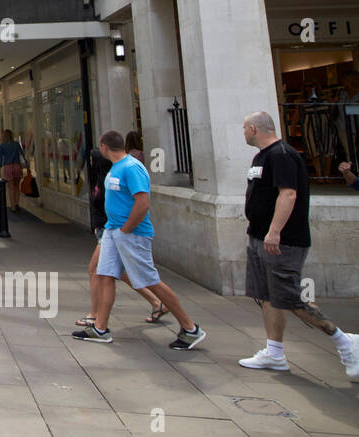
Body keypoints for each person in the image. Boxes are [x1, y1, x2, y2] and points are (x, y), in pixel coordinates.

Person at [237, 112, 357, 379]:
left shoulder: (282, 155)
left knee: (290, 297)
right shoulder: (261, 157)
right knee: (267, 296)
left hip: (282, 242)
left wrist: (274, 232)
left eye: (244, 128)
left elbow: (288, 193)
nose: (243, 132)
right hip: (258, 237)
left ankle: (345, 341)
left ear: (254, 128)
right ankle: (274, 352)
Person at [72, 130, 206, 350]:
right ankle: (100, 328)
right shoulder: (117, 167)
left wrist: (126, 229)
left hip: (130, 234)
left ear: (104, 147)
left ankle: (190, 328)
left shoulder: (131, 168)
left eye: (101, 147)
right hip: (112, 232)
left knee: (149, 279)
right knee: (104, 275)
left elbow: (142, 202)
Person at [75, 147, 166, 329]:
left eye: (93, 159)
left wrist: (122, 230)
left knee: (96, 270)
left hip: (113, 231)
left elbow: (134, 203)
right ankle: (158, 303)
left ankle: (95, 316)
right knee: (122, 273)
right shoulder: (101, 180)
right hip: (105, 230)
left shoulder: (117, 176)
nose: (90, 163)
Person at [0, 130, 26, 212]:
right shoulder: (16, 144)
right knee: (17, 187)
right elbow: (22, 155)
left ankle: (12, 206)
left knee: (11, 187)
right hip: (17, 166)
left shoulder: (2, 146)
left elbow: (0, 159)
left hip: (8, 168)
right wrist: (26, 166)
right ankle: (17, 204)